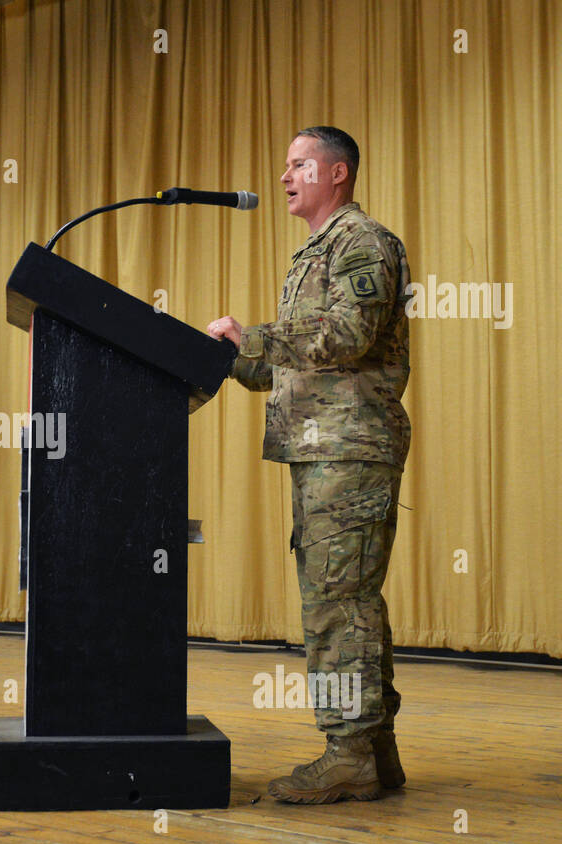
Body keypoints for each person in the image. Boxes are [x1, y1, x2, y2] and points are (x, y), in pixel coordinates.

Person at [207, 126, 411, 804]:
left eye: (300, 164)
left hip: (349, 451)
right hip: (322, 449)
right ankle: (373, 751)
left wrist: (257, 335)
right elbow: (290, 366)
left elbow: (347, 338)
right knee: (349, 601)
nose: (287, 175)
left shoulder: (364, 243)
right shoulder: (311, 255)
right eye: (287, 164)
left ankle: (349, 751)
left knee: (337, 604)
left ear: (338, 174)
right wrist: (216, 355)